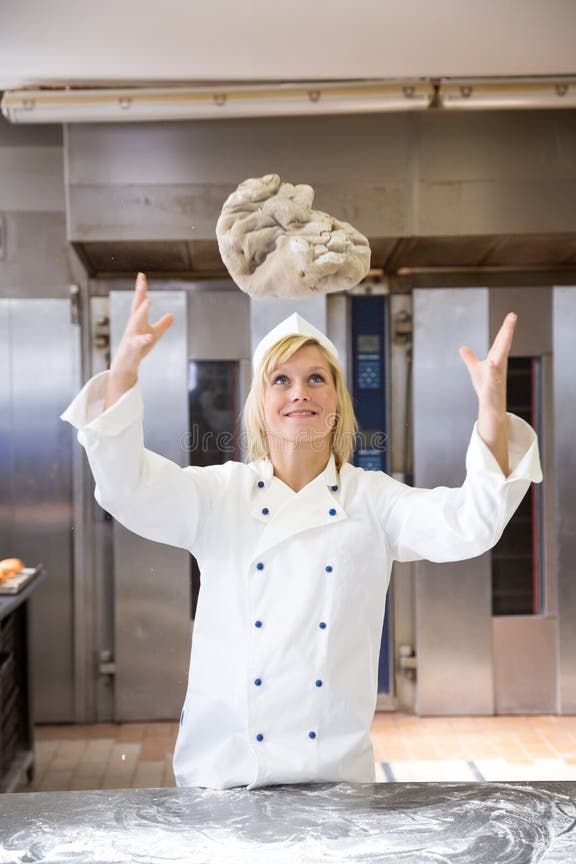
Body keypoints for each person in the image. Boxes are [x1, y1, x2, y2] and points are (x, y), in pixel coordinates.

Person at [61, 272, 542, 791]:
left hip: (333, 780)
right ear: (261, 406)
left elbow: (471, 523)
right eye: (281, 379)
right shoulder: (220, 495)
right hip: (223, 777)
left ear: (337, 402)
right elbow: (128, 488)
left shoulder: (373, 500)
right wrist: (125, 372)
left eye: (317, 378)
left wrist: (493, 412)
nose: (299, 393)